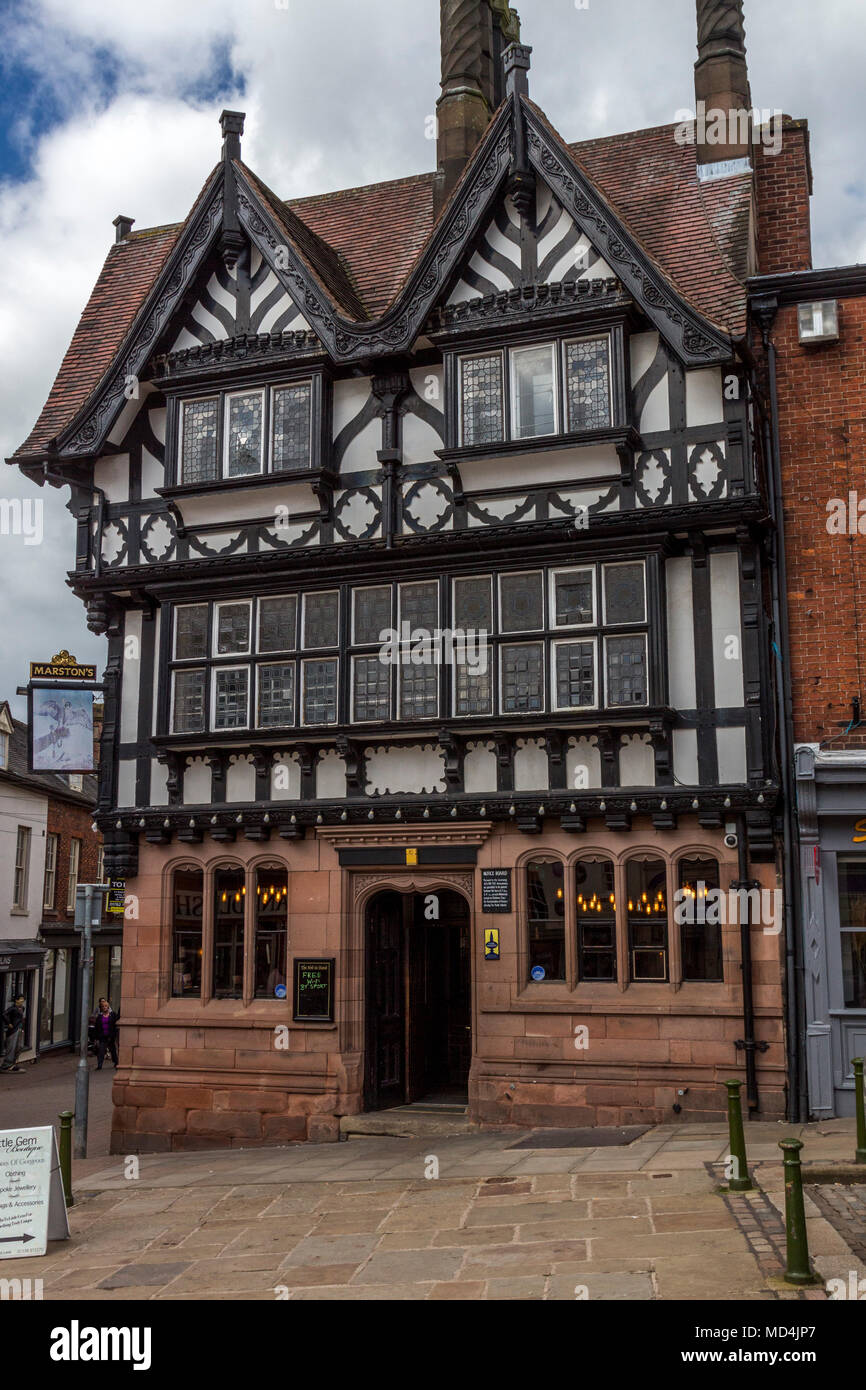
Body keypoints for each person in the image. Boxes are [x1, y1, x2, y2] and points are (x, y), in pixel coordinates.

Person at [91, 997, 119, 1070]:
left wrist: (114, 1035)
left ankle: (116, 1063)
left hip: (110, 1036)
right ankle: (99, 1065)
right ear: (101, 1008)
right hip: (102, 1036)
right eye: (103, 1006)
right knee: (101, 1051)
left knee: (113, 1050)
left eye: (106, 1006)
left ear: (108, 1007)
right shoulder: (99, 1017)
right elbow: (96, 1028)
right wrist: (96, 1038)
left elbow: (115, 1025)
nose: (104, 1007)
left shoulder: (112, 1015)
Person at [1, 995, 27, 1073]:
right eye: (20, 1000)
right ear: (16, 1000)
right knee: (11, 1047)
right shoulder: (12, 1008)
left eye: (23, 1000)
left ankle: (13, 1063)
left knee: (20, 1046)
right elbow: (4, 1014)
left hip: (20, 1029)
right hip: (13, 1030)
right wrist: (9, 1023)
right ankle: (6, 1065)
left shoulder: (22, 1008)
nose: (22, 1001)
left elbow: (21, 1018)